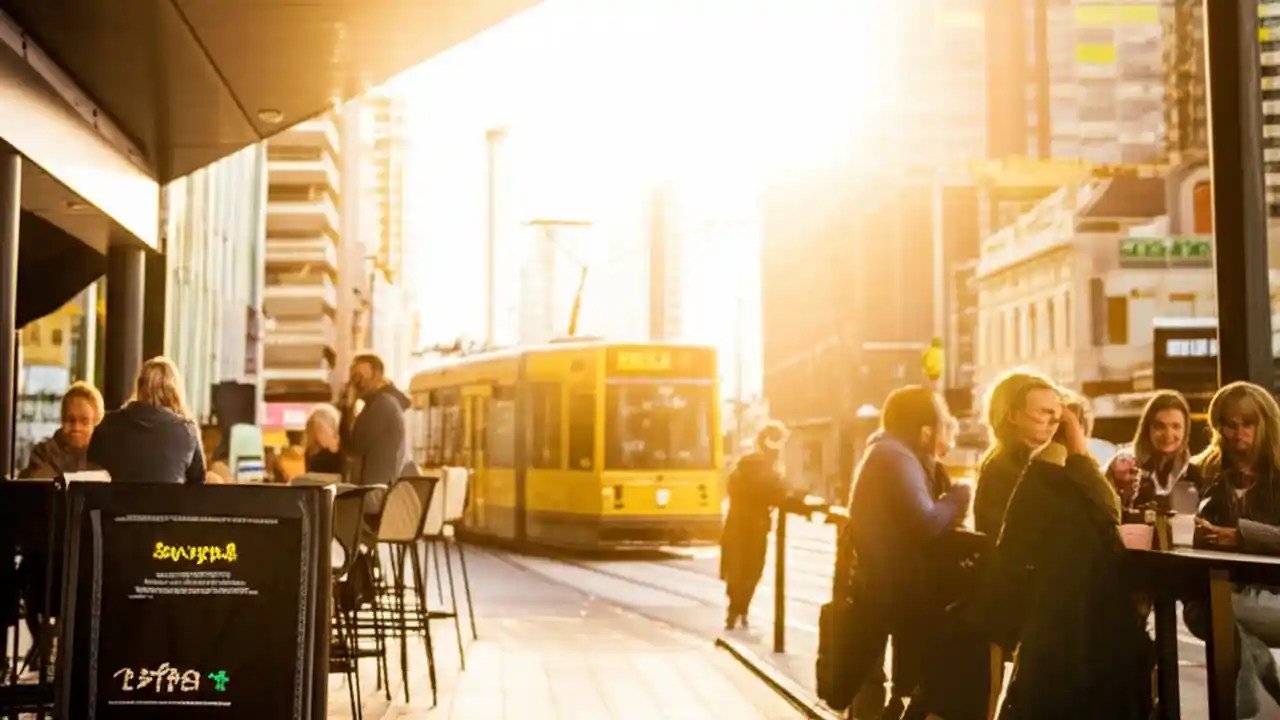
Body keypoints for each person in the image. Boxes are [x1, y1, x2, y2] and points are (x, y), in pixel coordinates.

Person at [973, 404, 1151, 719]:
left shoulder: (1044, 472)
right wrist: (1077, 451)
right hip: (1054, 619)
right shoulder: (1041, 471)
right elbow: (1108, 510)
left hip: (1051, 615)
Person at [842, 387, 972, 719]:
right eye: (940, 422)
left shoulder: (889, 451)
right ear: (924, 429)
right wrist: (958, 497)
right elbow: (927, 523)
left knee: (885, 682)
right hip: (894, 589)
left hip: (882, 587)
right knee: (903, 684)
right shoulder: (895, 455)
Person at [1189, 382, 1280, 717]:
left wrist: (1242, 536)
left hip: (1273, 595)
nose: (1237, 432)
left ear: (1264, 423)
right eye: (1228, 424)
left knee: (1210, 610)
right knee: (1203, 609)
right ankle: (1261, 687)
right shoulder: (1207, 471)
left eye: (1247, 423)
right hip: (1222, 589)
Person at [720, 422, 792, 630]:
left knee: (737, 569)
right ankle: (739, 610)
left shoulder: (745, 465)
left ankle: (736, 610)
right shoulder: (764, 468)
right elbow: (775, 492)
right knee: (752, 569)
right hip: (755, 527)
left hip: (736, 526)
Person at [88, 357, 206, 484]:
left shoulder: (107, 424)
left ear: (139, 387)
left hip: (115, 503)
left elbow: (91, 468)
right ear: (175, 391)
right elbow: (197, 484)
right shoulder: (187, 431)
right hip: (166, 504)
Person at [973, 372, 1060, 537]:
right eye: (1044, 412)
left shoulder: (1028, 460)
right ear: (1013, 415)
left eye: (1057, 412)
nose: (1055, 420)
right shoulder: (1004, 469)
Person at [1109, 390, 1202, 515]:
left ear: (1186, 430)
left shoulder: (1195, 474)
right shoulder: (1124, 465)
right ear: (1147, 429)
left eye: (1176, 426)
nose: (1168, 435)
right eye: (1160, 426)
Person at [341, 353, 410, 489]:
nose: (356, 384)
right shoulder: (376, 404)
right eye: (353, 378)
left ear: (377, 376)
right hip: (373, 489)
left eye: (360, 377)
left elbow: (355, 445)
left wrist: (348, 407)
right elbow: (348, 445)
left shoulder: (382, 405)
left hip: (374, 492)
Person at [20, 381, 103, 478]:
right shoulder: (43, 454)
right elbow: (43, 489)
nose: (77, 428)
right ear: (62, 421)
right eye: (71, 420)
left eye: (84, 421)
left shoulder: (105, 456)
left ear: (95, 422)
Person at [304, 403, 344, 474]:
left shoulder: (344, 450)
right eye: (314, 430)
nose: (317, 435)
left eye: (321, 430)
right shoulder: (313, 453)